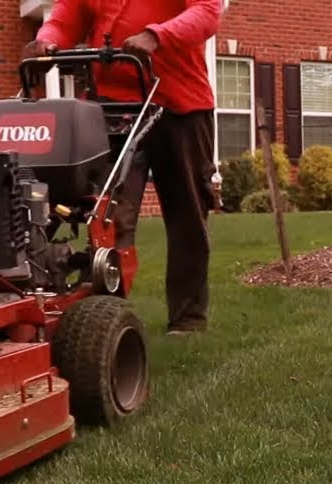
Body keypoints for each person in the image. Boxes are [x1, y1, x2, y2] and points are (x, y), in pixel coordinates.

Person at [26, 0, 221, 335]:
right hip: (111, 106)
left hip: (180, 104)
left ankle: (188, 319)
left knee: (187, 215)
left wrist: (156, 36)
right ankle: (106, 317)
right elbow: (66, 17)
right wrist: (47, 40)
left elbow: (207, 13)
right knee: (108, 214)